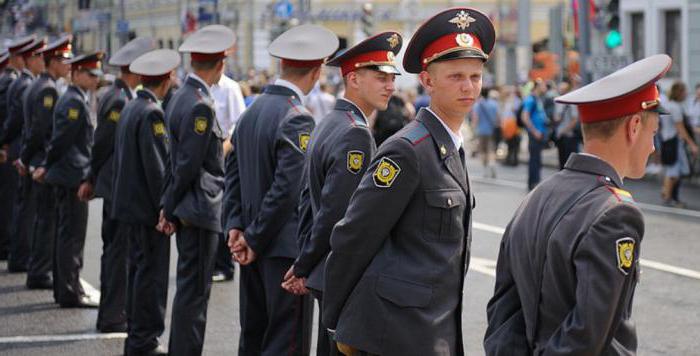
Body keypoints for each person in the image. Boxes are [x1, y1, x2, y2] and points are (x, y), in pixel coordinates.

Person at [323, 7, 495, 355]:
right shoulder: (407, 150)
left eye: (475, 76)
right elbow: (353, 237)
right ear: (427, 81)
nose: (468, 86)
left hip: (434, 331)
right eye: (456, 76)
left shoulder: (450, 146)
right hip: (395, 334)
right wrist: (336, 323)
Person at [484, 54, 672, 355]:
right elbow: (587, 335)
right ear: (634, 126)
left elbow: (504, 312)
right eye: (653, 133)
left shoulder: (536, 196)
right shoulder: (617, 213)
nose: (652, 147)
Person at [282, 31, 401, 356]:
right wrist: (304, 265)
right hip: (342, 270)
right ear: (353, 79)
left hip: (325, 266)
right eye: (380, 77)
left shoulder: (331, 121)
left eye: (392, 78)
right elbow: (338, 214)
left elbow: (310, 202)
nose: (390, 86)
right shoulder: (355, 134)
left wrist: (306, 259)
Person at [224, 24, 338, 356]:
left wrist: (236, 227)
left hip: (251, 246)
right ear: (316, 72)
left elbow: (233, 175)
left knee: (254, 336)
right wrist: (254, 238)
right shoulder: (297, 117)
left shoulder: (250, 112)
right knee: (285, 343)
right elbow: (287, 190)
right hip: (282, 251)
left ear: (281, 66)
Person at [158, 25, 234, 356]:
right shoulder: (202, 104)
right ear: (219, 64)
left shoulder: (180, 96)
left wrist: (168, 205)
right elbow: (188, 164)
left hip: (189, 205)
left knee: (190, 291)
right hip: (200, 207)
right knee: (195, 295)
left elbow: (174, 160)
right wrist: (170, 207)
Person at [85, 37, 156, 333]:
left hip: (115, 185)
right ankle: (113, 315)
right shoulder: (119, 99)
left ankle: (114, 312)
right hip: (116, 187)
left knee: (118, 252)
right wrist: (90, 177)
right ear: (136, 70)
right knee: (117, 253)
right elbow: (102, 143)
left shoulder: (121, 95)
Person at [113, 48, 180, 356]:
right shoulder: (153, 112)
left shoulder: (131, 106)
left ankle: (136, 335)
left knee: (137, 272)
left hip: (129, 206)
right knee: (150, 278)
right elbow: (158, 169)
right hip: (146, 210)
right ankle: (145, 338)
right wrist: (166, 208)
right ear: (165, 80)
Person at [33, 52, 104, 308]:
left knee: (66, 235)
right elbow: (60, 141)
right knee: (71, 237)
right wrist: (46, 165)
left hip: (67, 174)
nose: (95, 79)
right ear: (76, 74)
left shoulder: (77, 98)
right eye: (90, 74)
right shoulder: (73, 102)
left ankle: (64, 288)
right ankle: (69, 290)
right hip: (70, 176)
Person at [19, 35, 72, 290]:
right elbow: (41, 130)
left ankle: (38, 268)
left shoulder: (36, 85)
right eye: (65, 59)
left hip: (36, 160)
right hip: (43, 163)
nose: (69, 65)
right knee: (47, 220)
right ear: (53, 62)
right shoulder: (48, 90)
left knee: (42, 218)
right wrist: (31, 159)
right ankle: (40, 271)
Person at [1, 37, 46, 273]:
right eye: (40, 57)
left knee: (21, 205)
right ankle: (20, 256)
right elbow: (23, 123)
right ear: (30, 59)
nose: (43, 61)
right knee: (26, 207)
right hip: (22, 146)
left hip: (18, 145)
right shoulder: (26, 85)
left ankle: (18, 254)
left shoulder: (22, 83)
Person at [210, 65, 246, 283]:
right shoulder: (201, 89)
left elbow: (238, 124)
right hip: (208, 157)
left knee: (223, 210)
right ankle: (214, 262)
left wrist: (224, 149)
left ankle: (225, 266)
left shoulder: (230, 88)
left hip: (225, 153)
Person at [0, 36, 35, 262]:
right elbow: (12, 119)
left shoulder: (12, 81)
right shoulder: (16, 83)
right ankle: (10, 247)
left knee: (13, 201)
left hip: (10, 145)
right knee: (14, 202)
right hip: (13, 146)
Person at [660, 81, 698, 207]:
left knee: (673, 170)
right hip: (674, 143)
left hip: (667, 140)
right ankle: (671, 197)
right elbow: (681, 128)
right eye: (684, 91)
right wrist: (692, 144)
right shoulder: (675, 107)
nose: (686, 93)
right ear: (679, 93)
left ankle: (667, 194)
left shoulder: (668, 105)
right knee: (674, 172)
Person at [521, 78, 548, 190]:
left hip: (540, 133)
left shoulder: (538, 99)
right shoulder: (530, 99)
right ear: (537, 86)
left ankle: (536, 182)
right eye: (543, 85)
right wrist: (534, 131)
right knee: (534, 159)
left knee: (537, 159)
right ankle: (532, 184)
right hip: (535, 134)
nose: (545, 87)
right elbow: (525, 117)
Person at [553, 81, 581, 169]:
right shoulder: (557, 101)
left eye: (563, 89)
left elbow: (575, 119)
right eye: (560, 89)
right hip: (560, 136)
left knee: (571, 163)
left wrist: (565, 130)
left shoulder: (571, 102)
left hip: (569, 136)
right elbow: (555, 117)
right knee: (562, 162)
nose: (560, 90)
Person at [473, 87, 500, 178]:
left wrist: (474, 130)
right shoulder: (494, 104)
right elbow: (498, 118)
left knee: (483, 151)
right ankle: (492, 164)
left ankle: (485, 170)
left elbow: (475, 119)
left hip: (481, 131)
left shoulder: (478, 105)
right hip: (491, 130)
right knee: (491, 150)